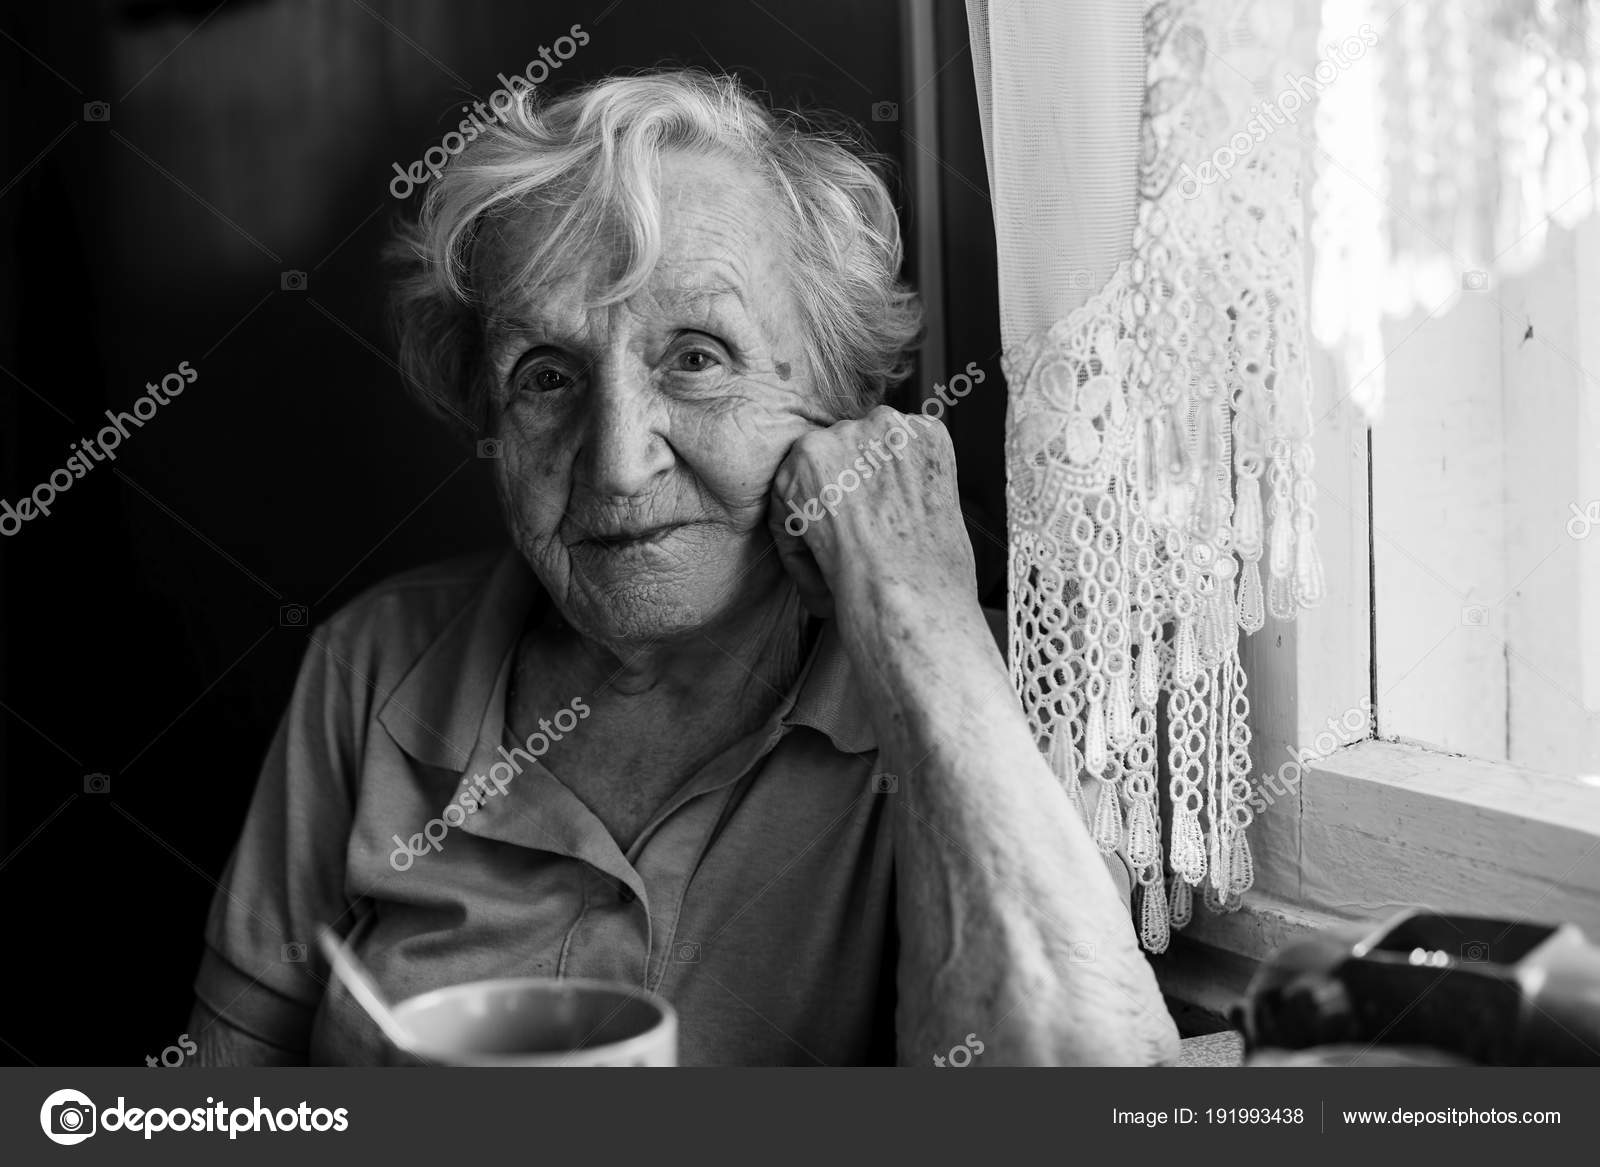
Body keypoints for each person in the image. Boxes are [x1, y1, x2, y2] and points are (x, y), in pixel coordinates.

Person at [188, 69, 1178, 1066]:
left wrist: (917, 613)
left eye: (697, 357)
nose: (619, 465)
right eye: (545, 377)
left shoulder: (994, 697)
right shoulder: (376, 663)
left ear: (841, 396)